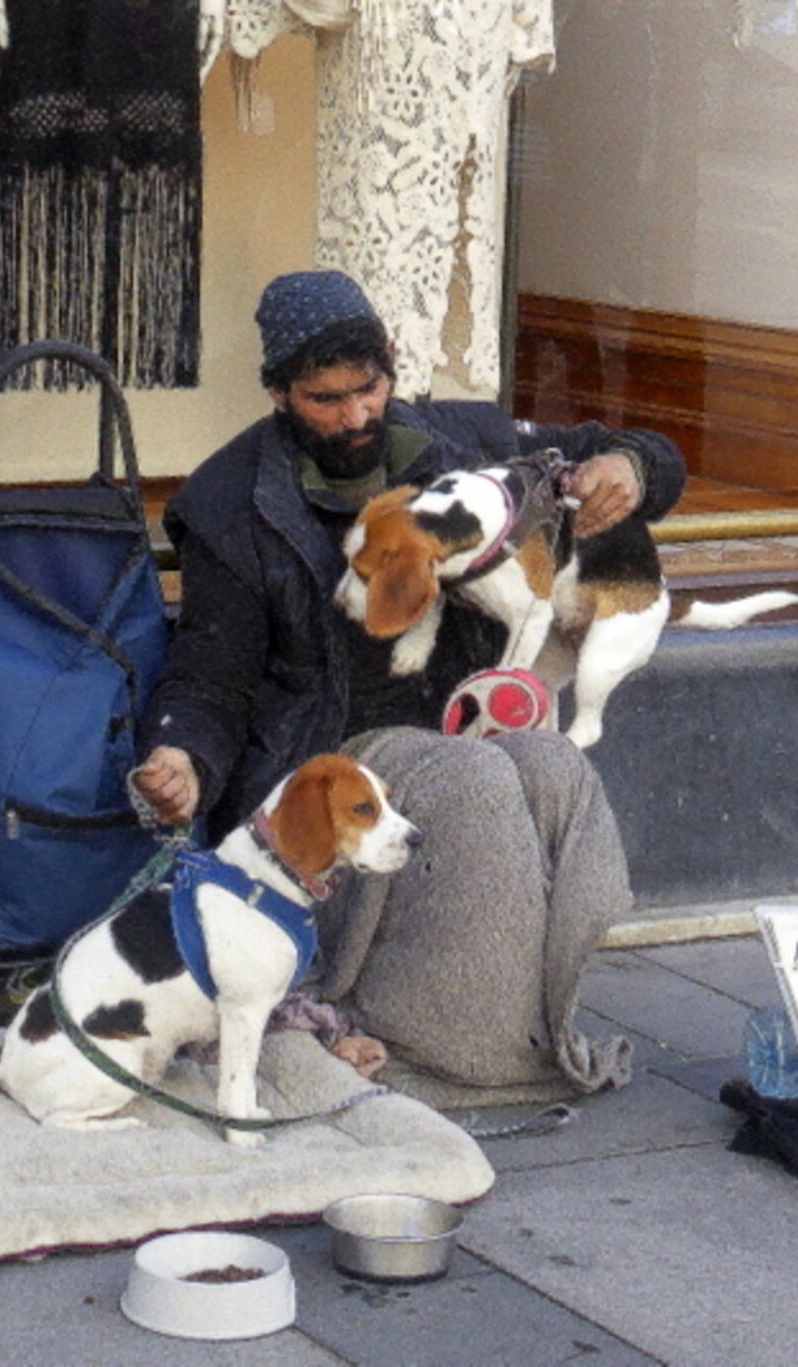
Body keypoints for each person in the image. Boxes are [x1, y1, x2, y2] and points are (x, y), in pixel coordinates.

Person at [129, 269, 686, 1104]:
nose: (355, 416)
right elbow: (212, 672)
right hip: (330, 751)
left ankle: (525, 1022)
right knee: (474, 782)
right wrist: (181, 752)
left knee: (550, 768)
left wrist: (631, 468)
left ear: (392, 364)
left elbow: (641, 454)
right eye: (325, 399)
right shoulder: (227, 503)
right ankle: (444, 1055)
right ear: (278, 392)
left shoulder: (469, 442)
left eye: (370, 388)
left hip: (461, 712)